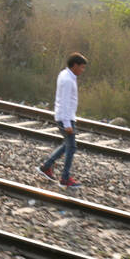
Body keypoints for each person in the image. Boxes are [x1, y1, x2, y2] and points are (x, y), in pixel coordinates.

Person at [38, 52, 88, 188]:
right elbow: (65, 102)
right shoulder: (67, 80)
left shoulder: (66, 75)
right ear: (75, 65)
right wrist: (67, 124)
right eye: (81, 68)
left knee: (67, 145)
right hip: (65, 118)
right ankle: (65, 178)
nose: (82, 71)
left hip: (66, 116)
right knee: (71, 147)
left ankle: (46, 166)